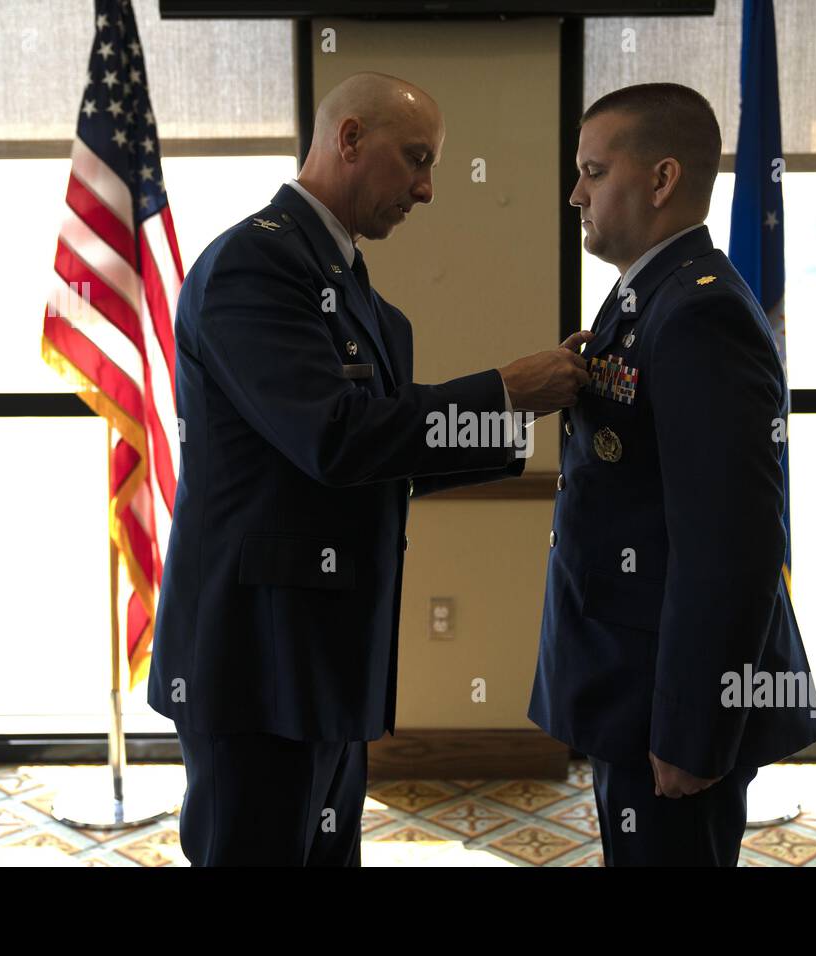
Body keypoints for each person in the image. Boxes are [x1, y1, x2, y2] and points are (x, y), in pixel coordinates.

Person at [149, 71, 590, 866]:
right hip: (257, 663)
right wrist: (504, 390)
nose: (426, 190)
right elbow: (334, 438)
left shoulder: (359, 296)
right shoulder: (254, 266)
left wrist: (519, 412)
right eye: (416, 159)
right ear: (349, 138)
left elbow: (380, 458)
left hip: (327, 661)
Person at [528, 83, 816, 866]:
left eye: (593, 172)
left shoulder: (699, 313)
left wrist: (694, 727)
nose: (575, 193)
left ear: (662, 179)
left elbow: (729, 548)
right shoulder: (648, 296)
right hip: (631, 680)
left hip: (669, 699)